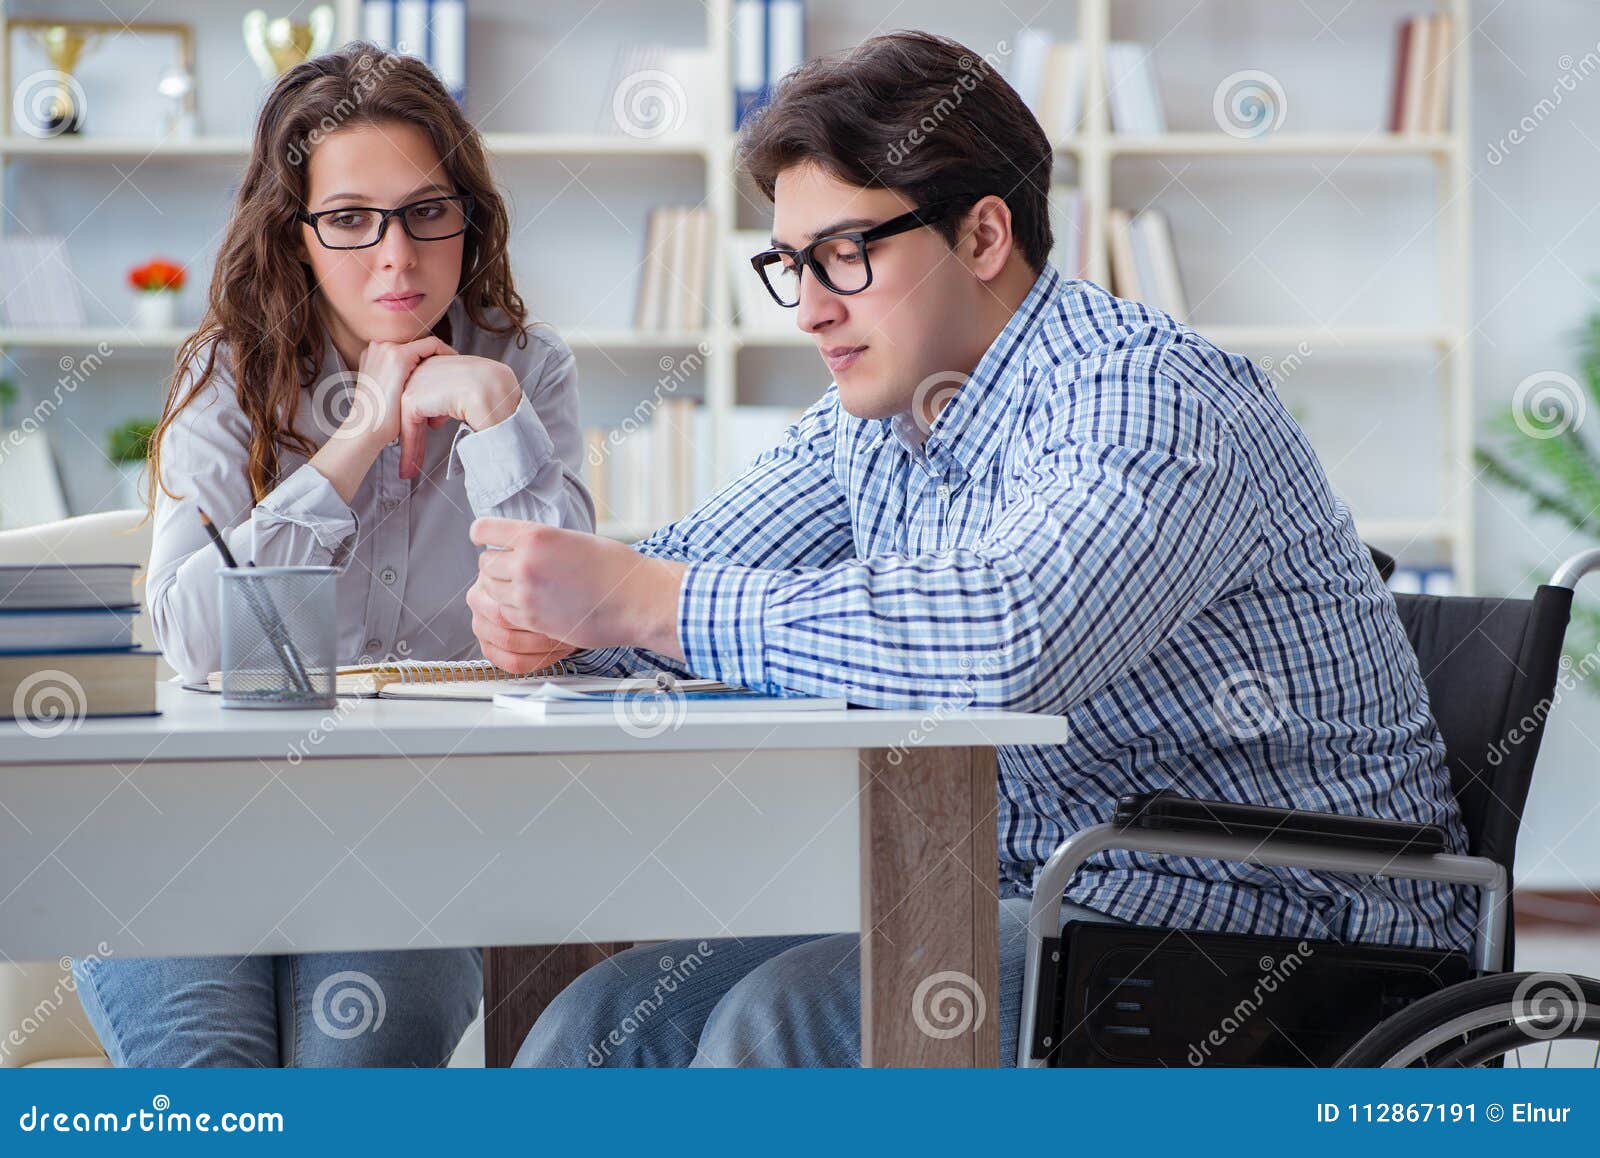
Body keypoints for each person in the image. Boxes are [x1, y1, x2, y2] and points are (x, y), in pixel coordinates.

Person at [465, 31, 1478, 1067]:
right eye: (789, 265)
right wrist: (555, 621)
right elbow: (672, 575)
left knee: (784, 1021)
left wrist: (642, 604)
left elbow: (1005, 639)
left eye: (844, 255)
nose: (810, 307)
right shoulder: (875, 416)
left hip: (1277, 922)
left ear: (984, 236)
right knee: (604, 1025)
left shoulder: (1146, 395)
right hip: (1031, 889)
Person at [73, 44, 593, 1067]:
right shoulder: (226, 375)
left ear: (467, 218)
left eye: (426, 211)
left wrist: (493, 419)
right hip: (186, 833)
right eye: (351, 219)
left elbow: (561, 624)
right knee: (212, 1098)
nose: (395, 256)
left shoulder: (524, 368)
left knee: (351, 1089)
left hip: (408, 829)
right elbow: (196, 642)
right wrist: (356, 443)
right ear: (296, 234)